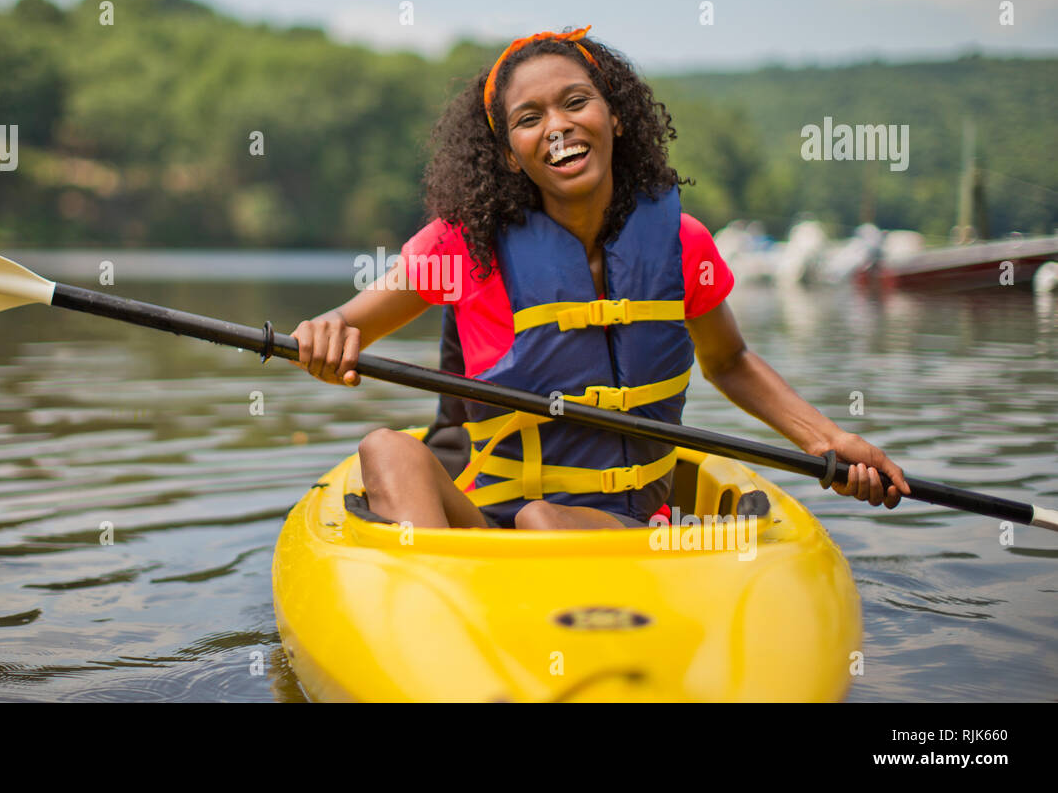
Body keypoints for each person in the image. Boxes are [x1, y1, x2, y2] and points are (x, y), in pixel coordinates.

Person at [290, 26, 910, 530]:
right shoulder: (464, 245)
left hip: (623, 526)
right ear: (510, 151)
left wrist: (828, 440)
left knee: (545, 521)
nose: (556, 125)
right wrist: (326, 336)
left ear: (615, 118)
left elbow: (730, 360)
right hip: (489, 528)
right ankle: (431, 627)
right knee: (386, 447)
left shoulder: (680, 243)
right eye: (529, 117)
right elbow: (349, 323)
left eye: (575, 101)